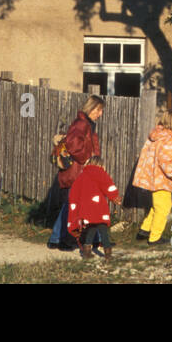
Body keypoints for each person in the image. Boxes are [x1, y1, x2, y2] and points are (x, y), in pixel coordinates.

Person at [48, 94, 104, 251]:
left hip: (77, 172)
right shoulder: (82, 124)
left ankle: (56, 239)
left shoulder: (87, 123)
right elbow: (73, 145)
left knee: (69, 206)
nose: (100, 114)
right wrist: (87, 159)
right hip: (76, 173)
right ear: (92, 108)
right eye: (99, 110)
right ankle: (67, 241)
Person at [133, 107, 172, 245]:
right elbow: (166, 161)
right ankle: (155, 238)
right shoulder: (169, 138)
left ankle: (144, 230)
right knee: (164, 207)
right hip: (162, 179)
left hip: (151, 177)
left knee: (156, 206)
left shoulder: (156, 135)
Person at [68, 157, 121, 258]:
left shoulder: (82, 175)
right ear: (101, 165)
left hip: (86, 209)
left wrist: (75, 206)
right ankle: (108, 253)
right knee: (103, 229)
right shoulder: (100, 173)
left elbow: (74, 191)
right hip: (99, 208)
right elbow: (107, 185)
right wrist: (114, 197)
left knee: (91, 227)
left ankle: (86, 252)